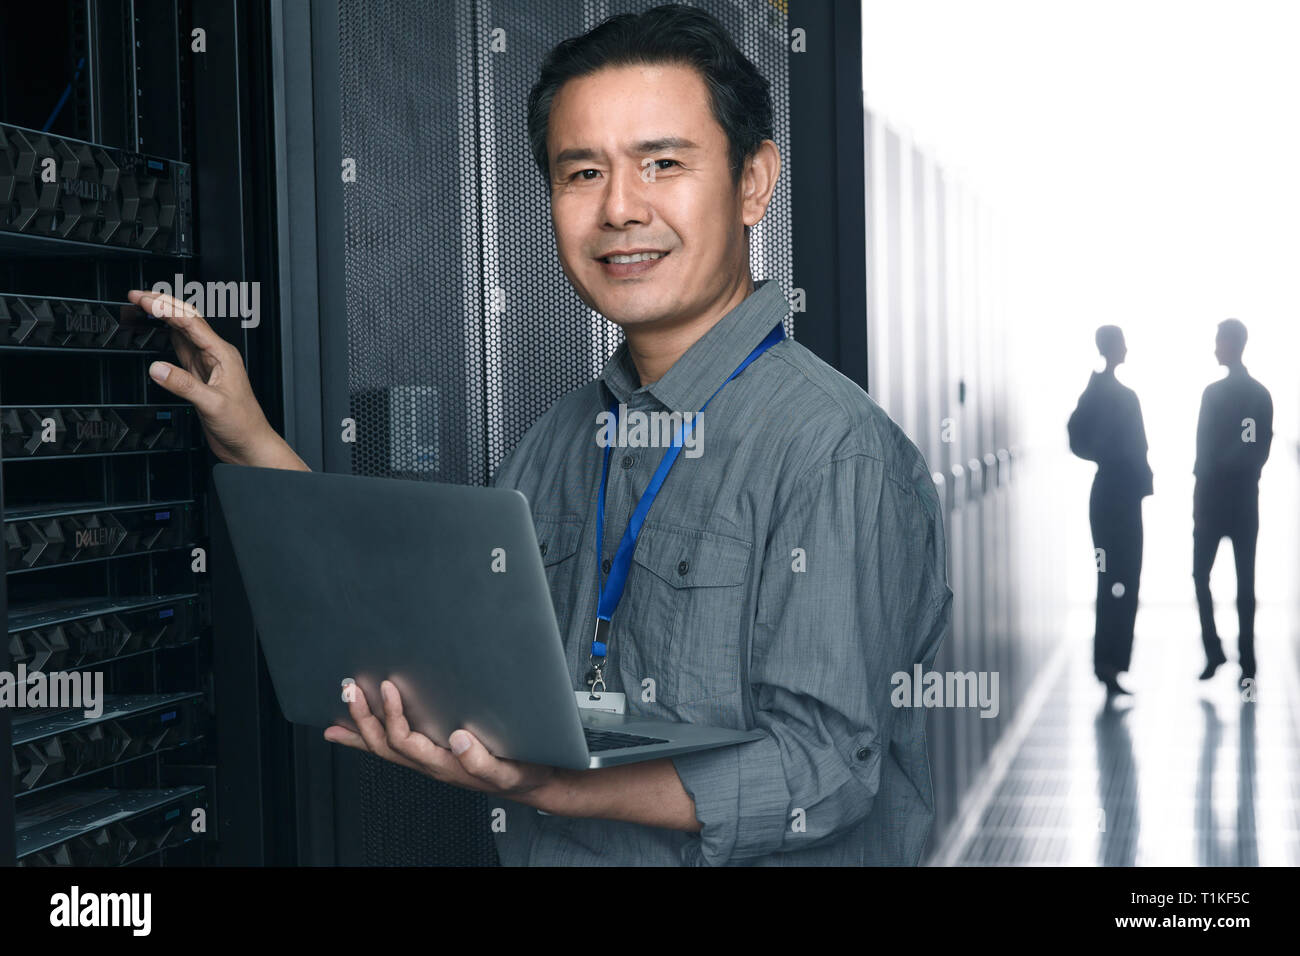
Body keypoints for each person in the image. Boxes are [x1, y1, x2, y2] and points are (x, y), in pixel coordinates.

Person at [129, 4, 950, 865]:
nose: (620, 209)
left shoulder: (834, 453)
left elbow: (824, 773)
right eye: (583, 172)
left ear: (754, 182)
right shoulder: (560, 438)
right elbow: (432, 630)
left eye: (663, 163)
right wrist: (249, 438)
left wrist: (553, 788)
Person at [1067, 325, 1153, 697]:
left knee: (1115, 579)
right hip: (1120, 497)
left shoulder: (1097, 392)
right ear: (1112, 348)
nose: (1127, 349)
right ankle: (1110, 663)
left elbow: (1077, 439)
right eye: (1123, 344)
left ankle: (1110, 664)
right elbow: (1082, 439)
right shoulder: (1113, 395)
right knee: (1121, 579)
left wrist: (1103, 453)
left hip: (1109, 495)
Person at [1193, 319, 1272, 682]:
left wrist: (1209, 480)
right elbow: (1256, 450)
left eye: (1218, 342)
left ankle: (1215, 652)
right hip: (1242, 499)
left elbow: (1204, 451)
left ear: (1230, 344)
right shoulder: (1258, 394)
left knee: (1202, 575)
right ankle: (1247, 662)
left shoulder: (1214, 394)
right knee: (1245, 580)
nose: (1215, 348)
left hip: (1214, 500)